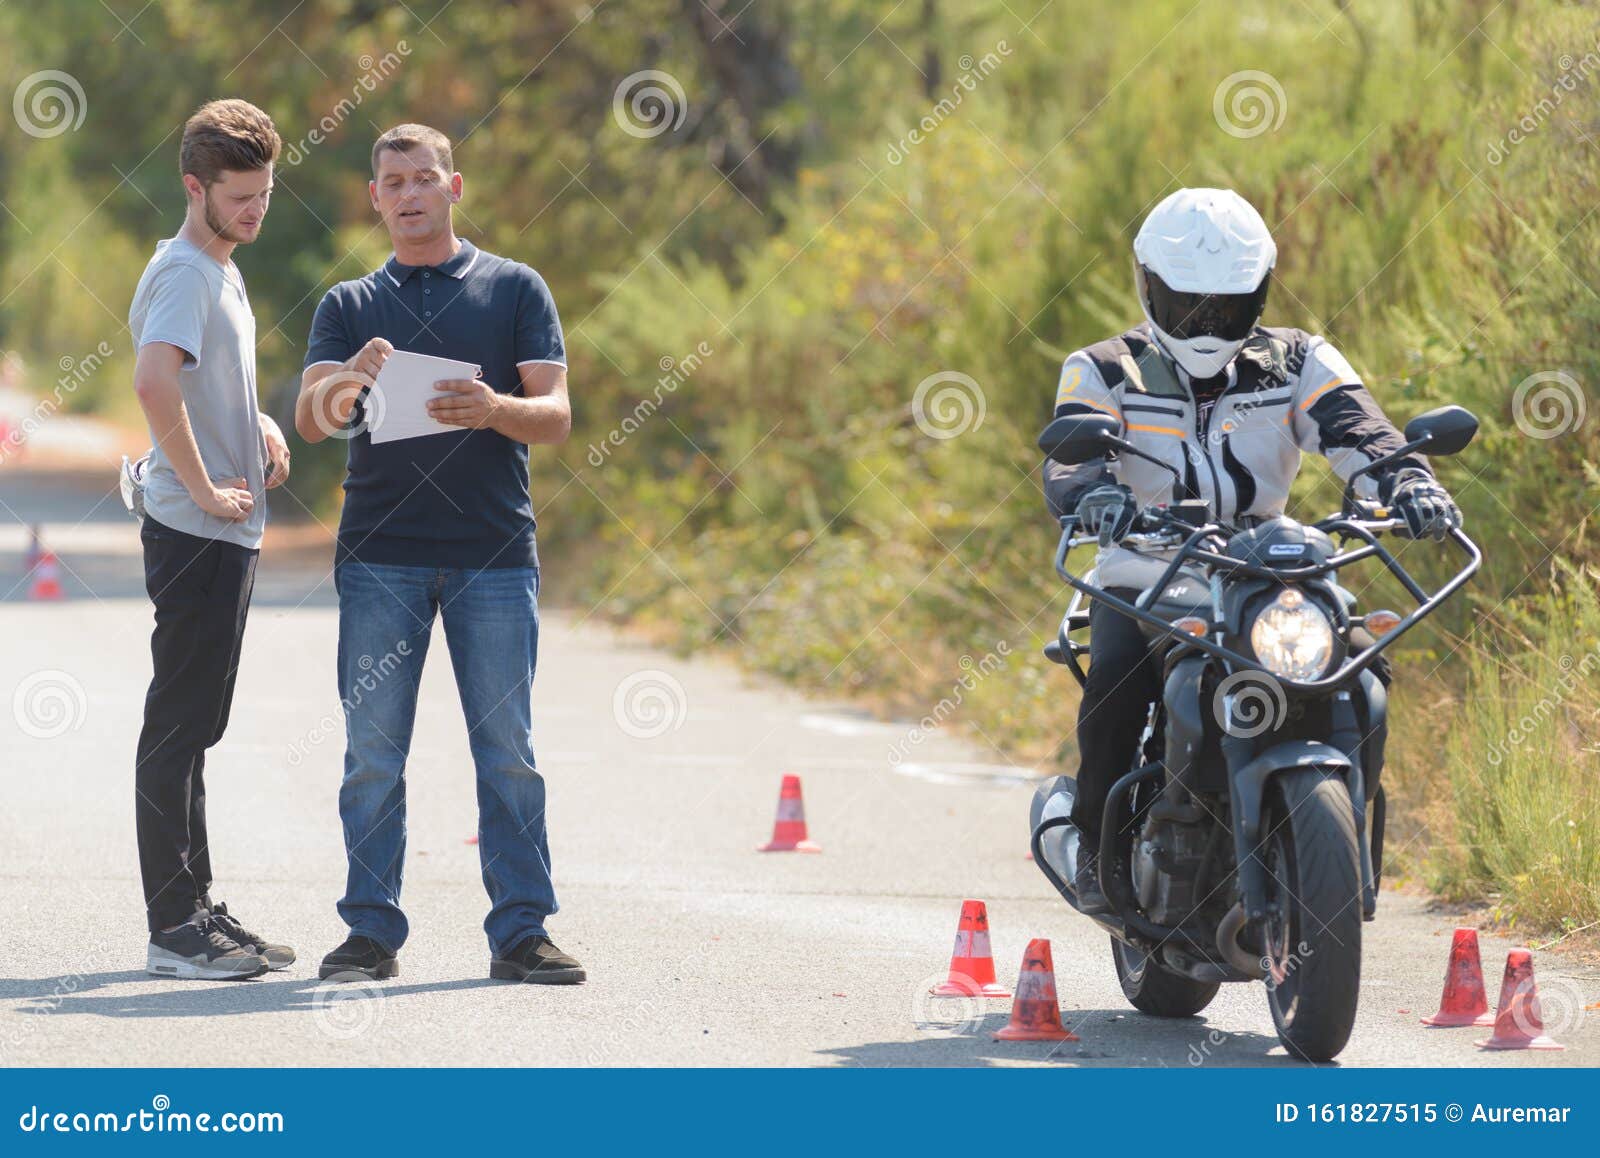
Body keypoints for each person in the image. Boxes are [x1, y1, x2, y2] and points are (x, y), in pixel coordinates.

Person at [1043, 187, 1462, 912]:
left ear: (1259, 293)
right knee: (1117, 674)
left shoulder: (1298, 358)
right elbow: (1070, 459)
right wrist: (1093, 497)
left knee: (1361, 666)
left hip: (1273, 566)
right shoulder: (1103, 368)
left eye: (1227, 307)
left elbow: (1361, 431)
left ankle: (1339, 834)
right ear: (1149, 286)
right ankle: (1097, 851)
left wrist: (1410, 483)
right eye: (1191, 306)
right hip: (1147, 566)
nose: (1208, 325)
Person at [294, 124, 581, 984]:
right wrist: (351, 376)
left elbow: (557, 416)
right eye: (394, 182)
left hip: (494, 554)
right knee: (373, 756)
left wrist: (494, 409)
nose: (410, 194)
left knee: (509, 755)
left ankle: (521, 933)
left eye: (424, 178)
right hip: (380, 556)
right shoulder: (349, 305)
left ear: (454, 188)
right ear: (375, 199)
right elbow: (312, 421)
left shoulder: (514, 287)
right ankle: (370, 931)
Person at [129, 98, 295, 978]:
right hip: (195, 531)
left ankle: (197, 908)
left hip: (223, 531)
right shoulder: (189, 273)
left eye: (265, 193)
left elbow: (198, 380)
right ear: (195, 188)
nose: (256, 209)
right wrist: (200, 487)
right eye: (239, 196)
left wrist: (254, 420)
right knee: (177, 726)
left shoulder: (219, 268)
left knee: (197, 725)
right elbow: (153, 382)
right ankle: (174, 928)